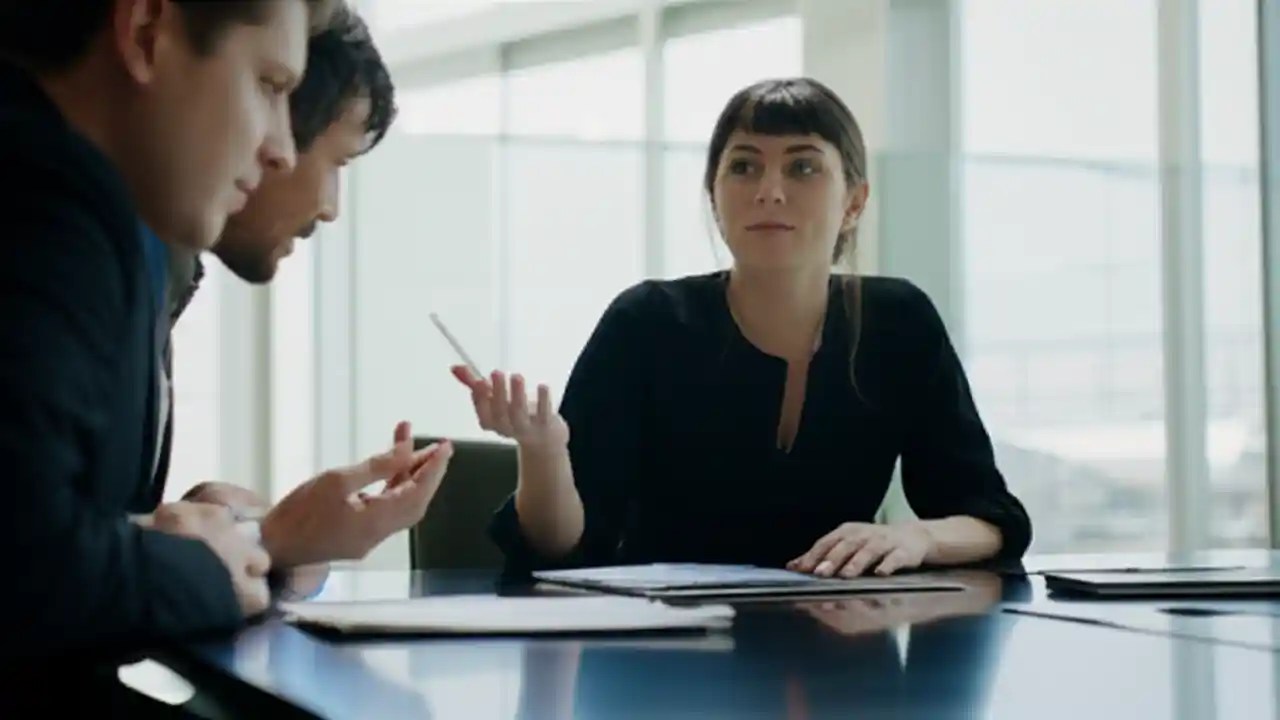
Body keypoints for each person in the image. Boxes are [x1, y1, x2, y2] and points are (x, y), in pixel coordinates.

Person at [453, 77, 1032, 578]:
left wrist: (918, 537)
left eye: (803, 167)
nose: (769, 191)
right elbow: (559, 547)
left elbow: (990, 519)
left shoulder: (899, 321)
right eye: (743, 167)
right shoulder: (647, 322)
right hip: (663, 649)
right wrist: (543, 449)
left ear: (854, 202)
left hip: (840, 644)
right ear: (714, 195)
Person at [157, 4, 436, 601]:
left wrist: (217, 526)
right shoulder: (72, 254)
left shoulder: (161, 276)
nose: (331, 208)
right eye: (337, 162)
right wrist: (265, 540)